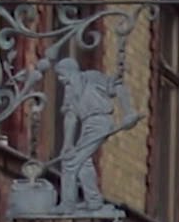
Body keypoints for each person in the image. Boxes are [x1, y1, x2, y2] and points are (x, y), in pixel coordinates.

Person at [54, 57, 138, 210]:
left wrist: (128, 112)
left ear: (70, 71)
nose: (60, 79)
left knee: (70, 163)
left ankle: (67, 203)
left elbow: (117, 87)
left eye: (61, 74)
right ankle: (93, 201)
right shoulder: (70, 89)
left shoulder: (92, 77)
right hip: (87, 123)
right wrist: (67, 144)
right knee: (84, 162)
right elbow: (71, 117)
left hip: (100, 121)